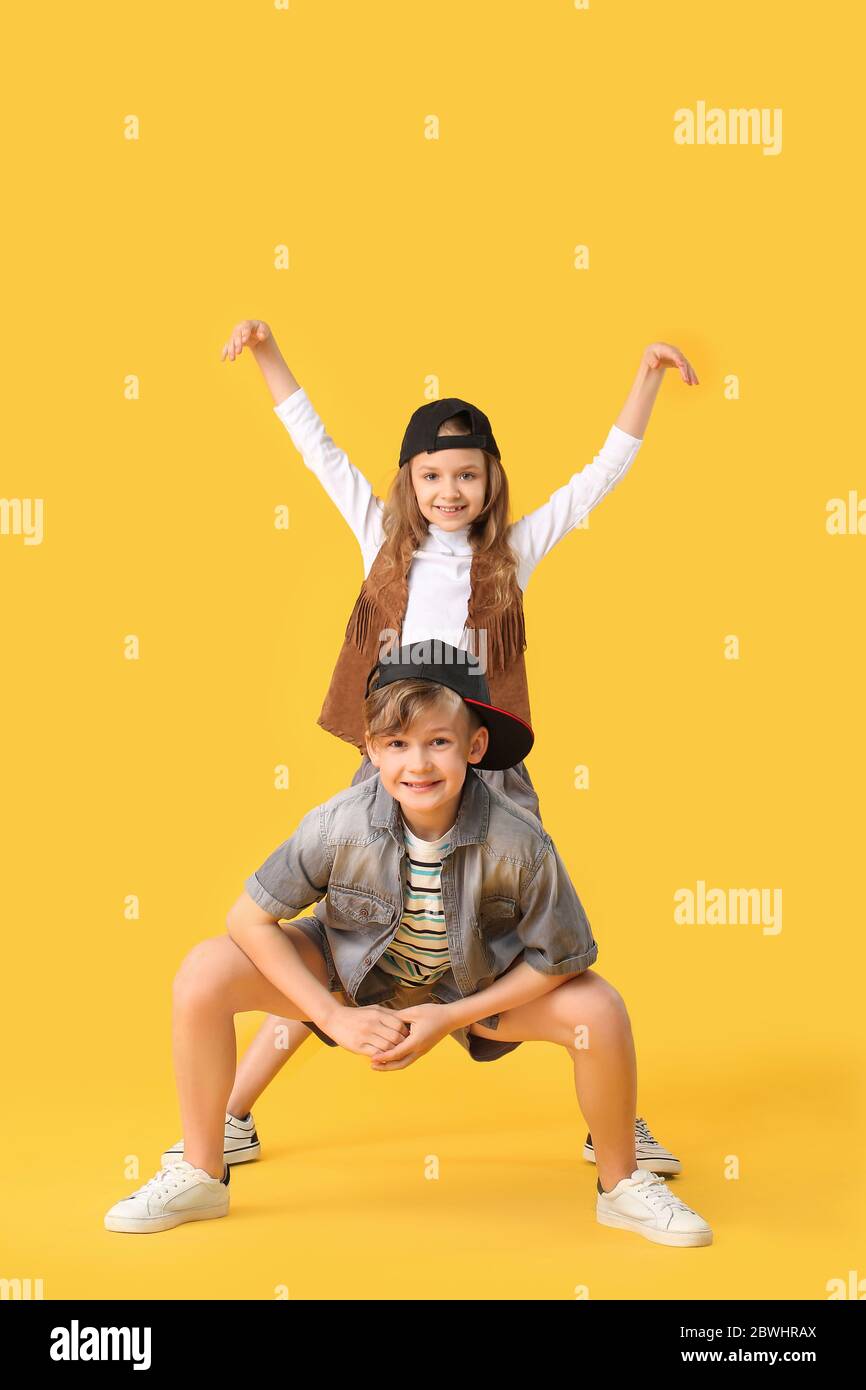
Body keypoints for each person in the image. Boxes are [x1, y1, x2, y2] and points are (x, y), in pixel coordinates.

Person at [196, 319, 698, 1168]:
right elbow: (317, 448)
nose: (450, 490)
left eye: (467, 475)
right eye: (432, 475)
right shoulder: (381, 542)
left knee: (538, 942)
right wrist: (271, 354)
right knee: (344, 947)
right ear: (410, 482)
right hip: (398, 770)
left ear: (491, 482)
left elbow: (595, 482)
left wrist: (644, 379)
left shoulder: (512, 556)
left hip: (487, 770)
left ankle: (613, 1121)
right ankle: (230, 1119)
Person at [104, 644, 712, 1247]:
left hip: (474, 988)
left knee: (599, 1010)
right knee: (204, 970)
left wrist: (451, 1015)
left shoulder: (519, 841)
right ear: (370, 749)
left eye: (438, 742)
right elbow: (248, 920)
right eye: (397, 744)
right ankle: (202, 1170)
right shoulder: (336, 823)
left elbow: (561, 958)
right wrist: (331, 1013)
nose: (417, 764)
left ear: (475, 748)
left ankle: (622, 1182)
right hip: (353, 976)